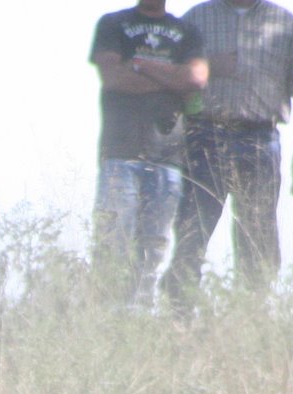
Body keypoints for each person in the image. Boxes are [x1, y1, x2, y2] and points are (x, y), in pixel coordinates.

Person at [161, 0, 293, 308]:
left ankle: (249, 314)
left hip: (260, 137)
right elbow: (169, 74)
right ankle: (179, 313)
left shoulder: (285, 24)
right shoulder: (196, 18)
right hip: (204, 134)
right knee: (192, 228)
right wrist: (210, 65)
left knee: (258, 233)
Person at [89, 0, 208, 308]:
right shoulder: (113, 23)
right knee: (113, 240)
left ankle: (141, 314)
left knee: (154, 243)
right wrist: (170, 79)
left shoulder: (187, 31)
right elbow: (114, 78)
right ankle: (108, 314)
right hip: (120, 152)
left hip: (167, 156)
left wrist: (141, 66)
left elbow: (195, 79)